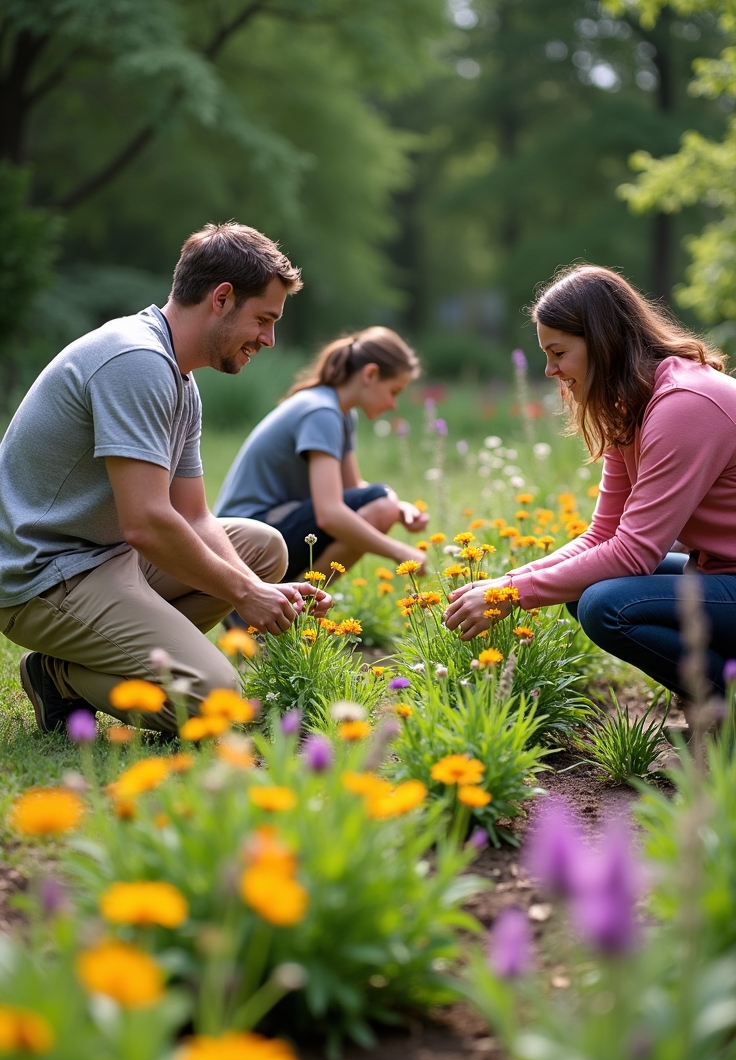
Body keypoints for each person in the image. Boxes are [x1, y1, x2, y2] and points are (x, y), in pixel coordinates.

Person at [0, 221, 331, 736]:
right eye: (264, 320)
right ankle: (59, 677)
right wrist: (246, 594)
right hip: (44, 576)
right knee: (216, 702)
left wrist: (255, 587)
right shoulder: (136, 361)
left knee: (262, 549)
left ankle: (104, 659)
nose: (268, 339)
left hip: (105, 557)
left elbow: (193, 515)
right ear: (221, 298)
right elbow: (147, 522)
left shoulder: (180, 379)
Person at [444, 263, 736, 699]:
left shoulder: (684, 404)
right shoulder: (632, 404)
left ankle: (724, 703)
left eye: (558, 353)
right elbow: (602, 535)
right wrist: (506, 582)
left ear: (603, 342)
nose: (550, 370)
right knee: (580, 588)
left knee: (605, 604)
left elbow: (634, 552)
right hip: (716, 573)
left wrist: (512, 592)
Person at [214, 327, 429, 593]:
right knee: (381, 506)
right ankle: (292, 607)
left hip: (267, 529)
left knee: (384, 504)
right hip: (242, 545)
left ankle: (289, 604)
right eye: (394, 391)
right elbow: (330, 514)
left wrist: (398, 507)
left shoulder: (339, 412)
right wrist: (401, 552)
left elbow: (352, 490)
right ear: (370, 374)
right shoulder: (322, 412)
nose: (393, 404)